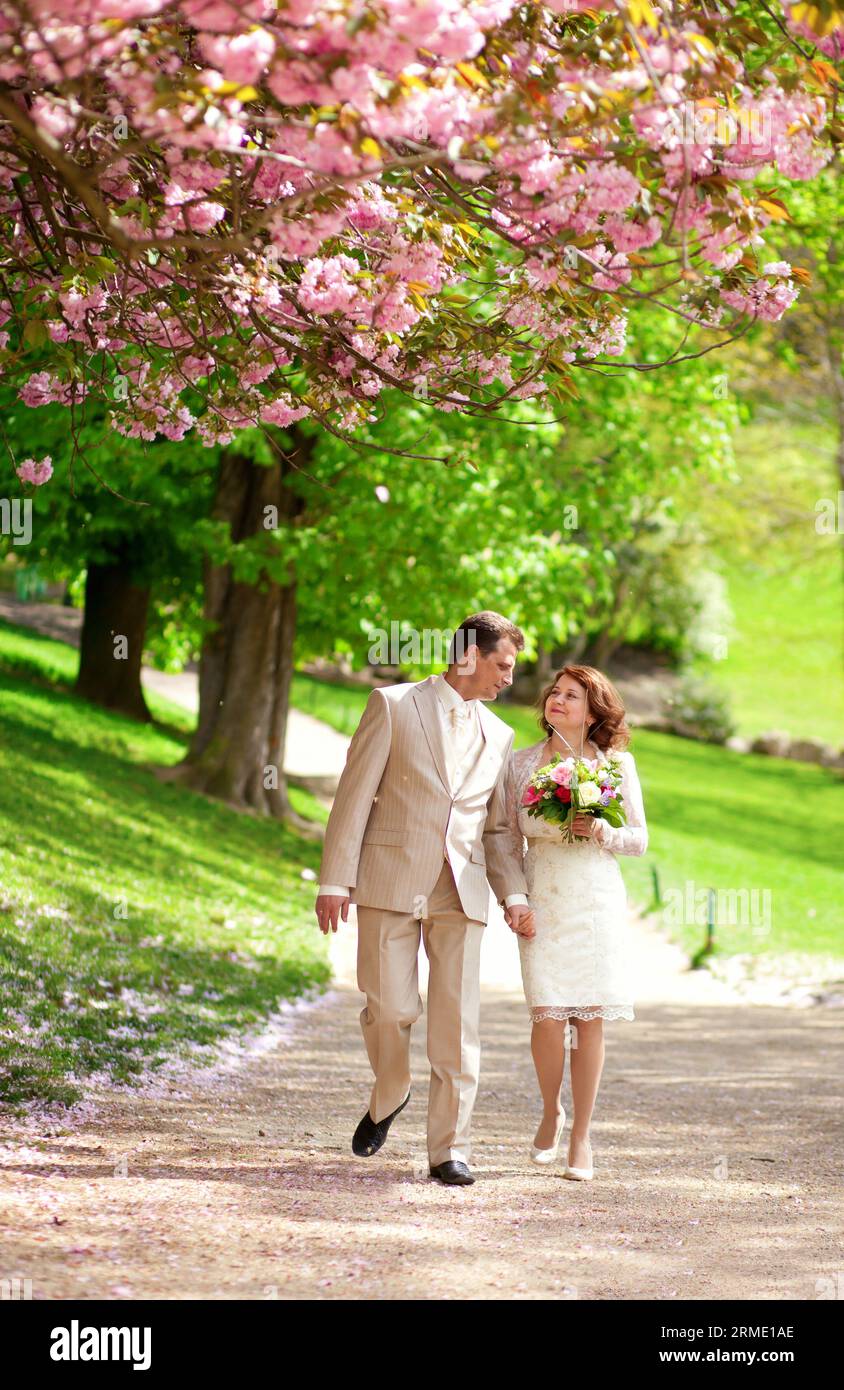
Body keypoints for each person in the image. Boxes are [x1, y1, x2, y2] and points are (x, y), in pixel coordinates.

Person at [315, 612, 534, 1186]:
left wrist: (512, 893)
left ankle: (449, 1149)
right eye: (503, 665)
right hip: (391, 876)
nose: (509, 678)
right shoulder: (392, 705)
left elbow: (495, 830)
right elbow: (354, 796)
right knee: (390, 1008)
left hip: (460, 889)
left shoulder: (500, 734)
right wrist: (334, 880)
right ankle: (392, 1088)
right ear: (469, 654)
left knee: (457, 1022)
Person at [505, 665, 647, 1180]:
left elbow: (638, 839)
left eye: (572, 696)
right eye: (556, 693)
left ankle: (582, 1138)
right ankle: (550, 1110)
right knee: (546, 1016)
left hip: (595, 899)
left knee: (589, 1018)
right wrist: (514, 898)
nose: (558, 701)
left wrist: (603, 832)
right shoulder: (520, 763)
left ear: (594, 712)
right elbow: (503, 838)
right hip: (543, 896)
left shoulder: (617, 765)